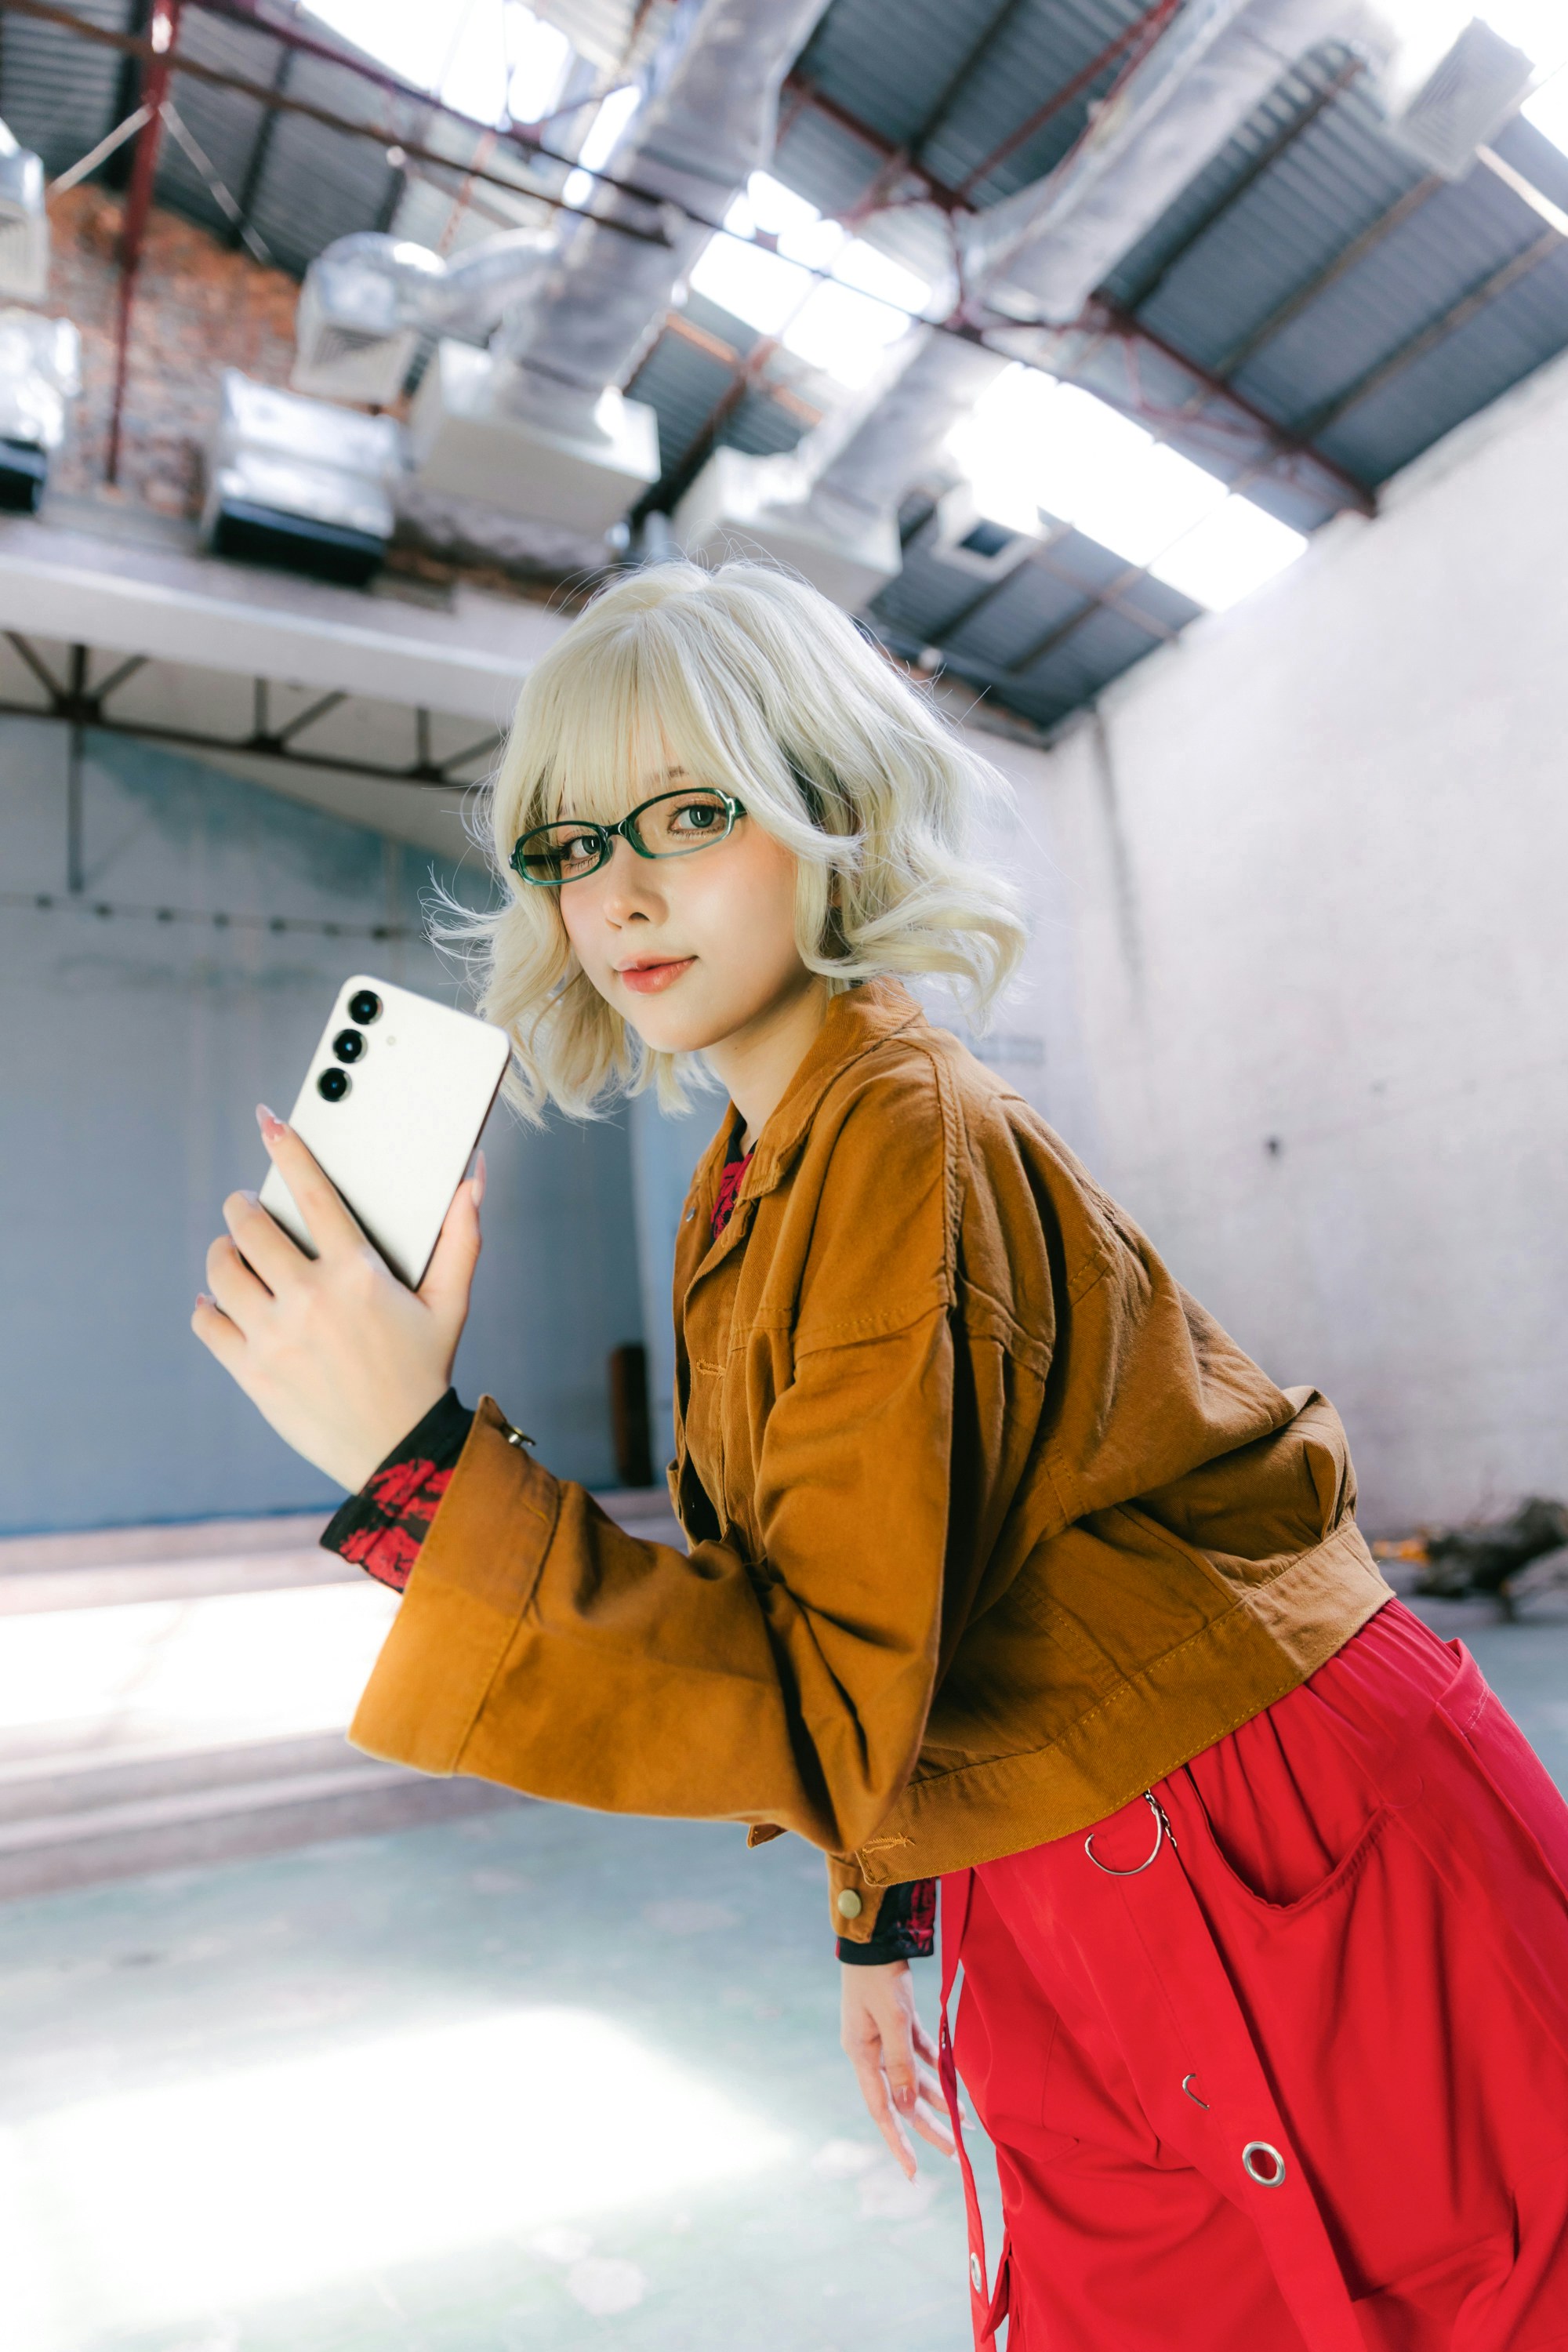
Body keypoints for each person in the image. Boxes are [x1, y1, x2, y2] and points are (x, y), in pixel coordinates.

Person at [194, 561, 1568, 2352]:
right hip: (1053, 1844)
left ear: (826, 811)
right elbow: (856, 1595)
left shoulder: (898, 1132)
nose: (621, 892)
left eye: (689, 814)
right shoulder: (752, 1174)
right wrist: (880, 1917)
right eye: (570, 845)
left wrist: (418, 1469)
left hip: (1267, 1819)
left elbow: (827, 1685)